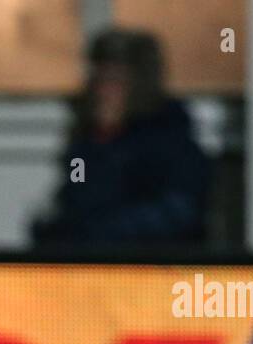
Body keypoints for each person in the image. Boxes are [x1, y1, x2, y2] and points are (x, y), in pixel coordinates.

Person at [32, 29, 211, 245]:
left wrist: (102, 232)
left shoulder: (171, 144)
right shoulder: (86, 145)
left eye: (115, 81)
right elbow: (75, 203)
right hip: (91, 270)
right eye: (99, 80)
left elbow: (177, 216)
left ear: (139, 86)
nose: (104, 91)